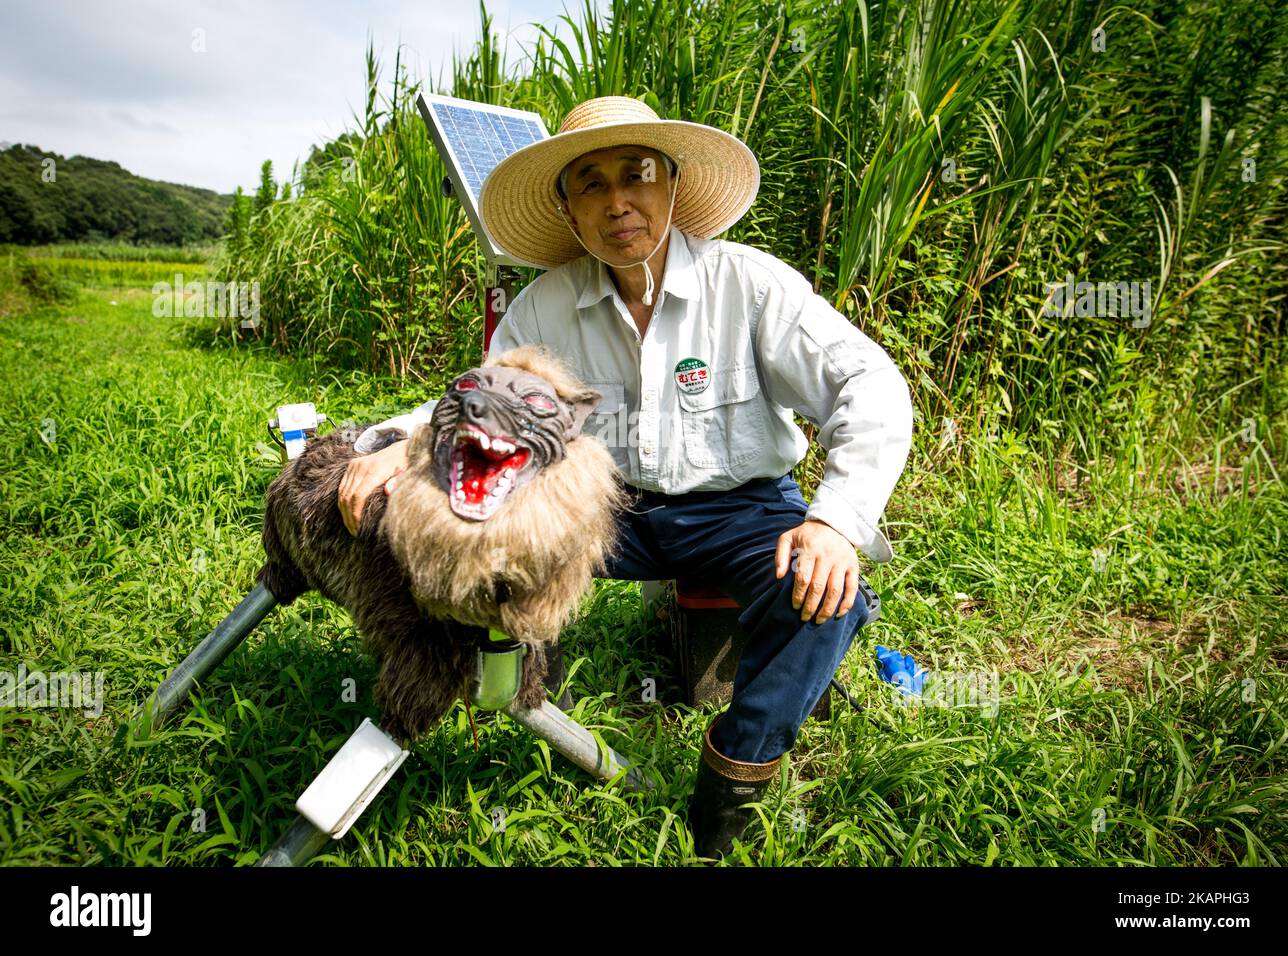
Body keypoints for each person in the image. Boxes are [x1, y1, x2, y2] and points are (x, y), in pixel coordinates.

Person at [338, 96, 913, 861]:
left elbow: (868, 383)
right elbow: (487, 404)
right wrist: (396, 444)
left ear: (672, 188)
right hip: (611, 515)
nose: (618, 202)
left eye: (638, 174)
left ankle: (726, 792)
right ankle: (496, 703)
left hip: (744, 508)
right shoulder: (547, 304)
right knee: (470, 545)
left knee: (826, 599)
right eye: (591, 183)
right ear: (570, 213)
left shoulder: (750, 284)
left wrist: (836, 522)